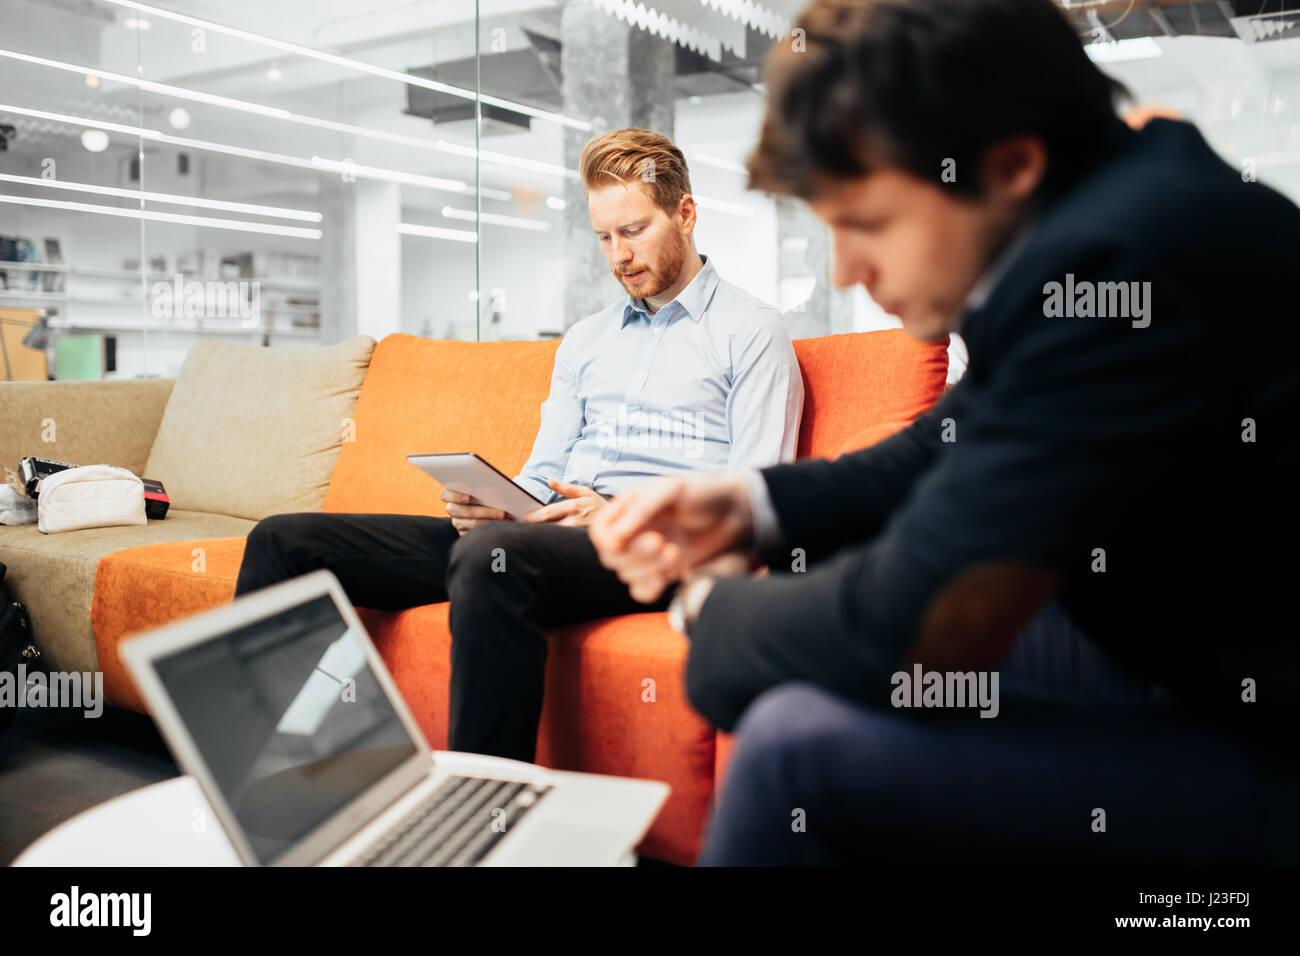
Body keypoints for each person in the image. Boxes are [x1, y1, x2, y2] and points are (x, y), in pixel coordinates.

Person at [589, 0, 1300, 865]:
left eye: (868, 224)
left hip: (1259, 739)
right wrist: (746, 503)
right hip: (1183, 640)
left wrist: (710, 611)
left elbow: (920, 625)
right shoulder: (1114, 210)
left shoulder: (1125, 261)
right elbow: (943, 446)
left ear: (1008, 167)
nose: (847, 268)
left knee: (790, 745)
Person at [235, 128, 803, 763]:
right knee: (285, 541)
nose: (619, 255)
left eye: (635, 230)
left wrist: (614, 513)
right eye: (604, 237)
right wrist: (499, 503)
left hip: (646, 549)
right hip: (544, 536)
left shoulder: (753, 333)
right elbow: (544, 472)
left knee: (492, 558)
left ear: (686, 213)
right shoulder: (585, 341)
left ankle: (484, 816)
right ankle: (272, 776)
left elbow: (755, 504)